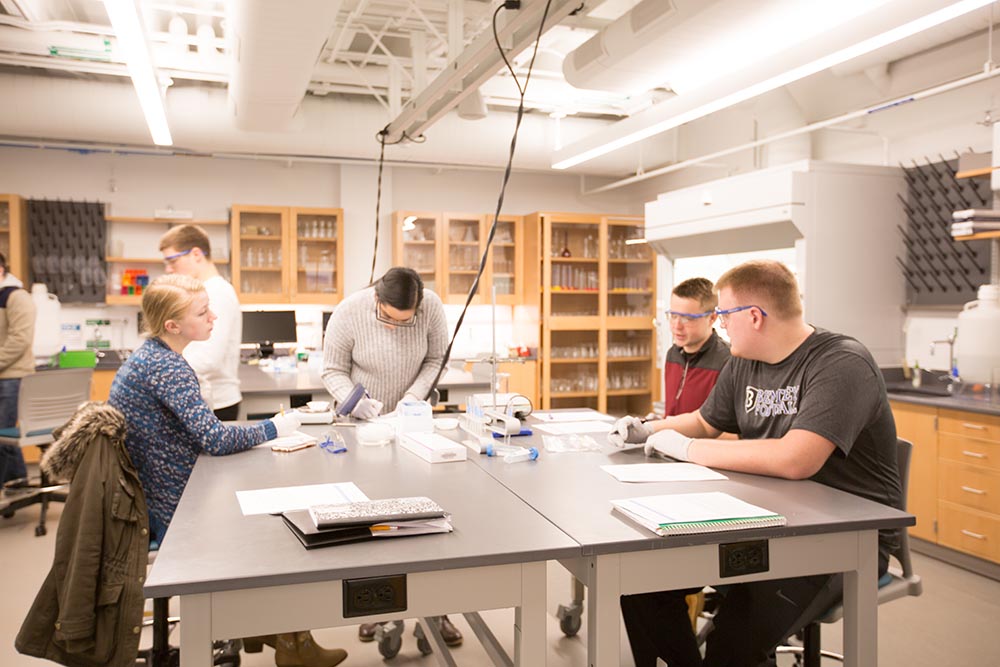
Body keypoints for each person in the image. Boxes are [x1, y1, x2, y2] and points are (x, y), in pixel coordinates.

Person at [611, 260, 902, 667]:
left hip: (840, 538)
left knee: (733, 646)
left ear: (754, 316)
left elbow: (796, 459)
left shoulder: (841, 363)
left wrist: (688, 449)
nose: (721, 325)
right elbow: (705, 422)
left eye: (725, 315)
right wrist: (648, 429)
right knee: (642, 583)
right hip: (767, 520)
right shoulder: (745, 360)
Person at [108, 275, 346, 667]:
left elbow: (200, 435)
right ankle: (288, 638)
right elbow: (215, 439)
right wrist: (276, 427)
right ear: (172, 325)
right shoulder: (167, 368)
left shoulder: (150, 357)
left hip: (159, 491)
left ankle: (273, 631)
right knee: (276, 530)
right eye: (202, 312)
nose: (213, 317)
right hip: (172, 507)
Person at [321, 267, 463, 647]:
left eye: (405, 321)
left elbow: (437, 359)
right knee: (374, 522)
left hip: (413, 425)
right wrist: (355, 402)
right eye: (388, 319)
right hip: (363, 432)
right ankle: (376, 606)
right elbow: (332, 370)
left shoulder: (431, 308)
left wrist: (412, 400)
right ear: (376, 300)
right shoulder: (349, 311)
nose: (395, 327)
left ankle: (437, 611)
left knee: (428, 521)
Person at [159, 224, 243, 420]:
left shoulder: (216, 293)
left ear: (196, 254)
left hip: (217, 403)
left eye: (173, 260)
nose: (168, 269)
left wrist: (162, 374)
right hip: (203, 398)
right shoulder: (204, 291)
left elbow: (208, 358)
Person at [660, 277, 730, 417]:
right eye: (673, 316)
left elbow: (727, 426)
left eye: (687, 318)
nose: (677, 326)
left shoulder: (728, 361)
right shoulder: (672, 354)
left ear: (712, 318)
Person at [0, 251, 36, 489]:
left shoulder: (16, 296)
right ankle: (18, 484)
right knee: (5, 437)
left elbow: (19, 340)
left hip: (12, 378)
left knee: (3, 436)